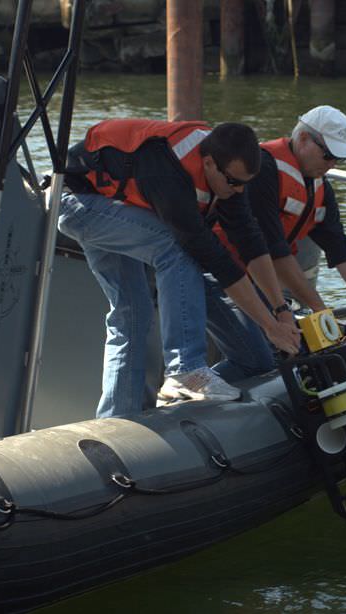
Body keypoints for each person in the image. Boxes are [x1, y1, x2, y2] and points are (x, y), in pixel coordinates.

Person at [59, 119, 299, 418]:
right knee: (177, 249)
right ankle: (186, 369)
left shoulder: (228, 176)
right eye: (234, 183)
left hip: (117, 205)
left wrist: (281, 311)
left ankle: (118, 420)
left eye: (245, 184)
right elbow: (216, 260)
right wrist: (269, 327)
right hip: (79, 204)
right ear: (209, 164)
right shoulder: (167, 169)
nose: (239, 191)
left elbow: (250, 241)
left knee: (132, 316)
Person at [208, 105, 346, 381]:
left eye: (338, 159)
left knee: (291, 349)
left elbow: (341, 249)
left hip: (258, 283)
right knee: (259, 359)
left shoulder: (319, 186)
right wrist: (319, 310)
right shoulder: (264, 170)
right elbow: (273, 249)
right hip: (220, 277)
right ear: (303, 139)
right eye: (328, 155)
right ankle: (192, 399)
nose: (332, 165)